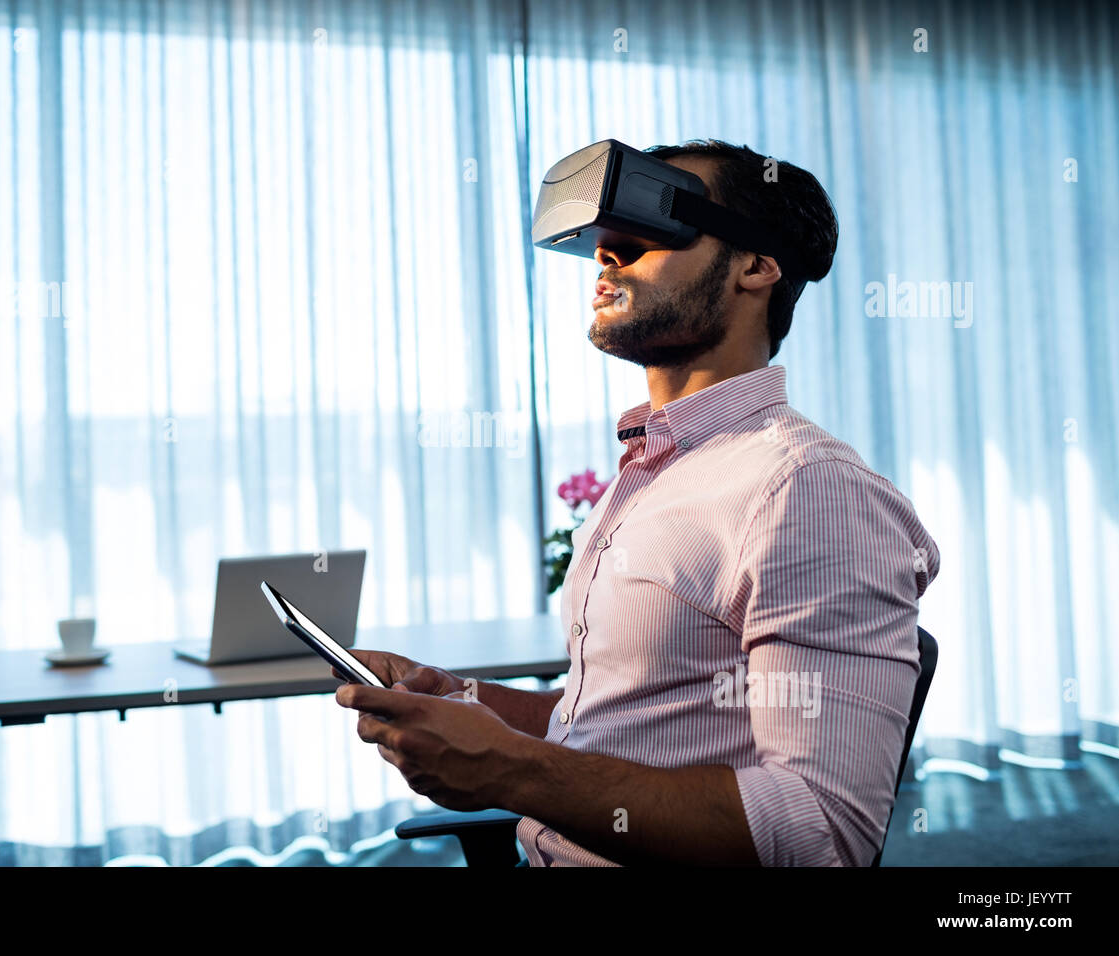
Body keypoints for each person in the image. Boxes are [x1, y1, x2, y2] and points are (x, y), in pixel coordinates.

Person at [334, 140, 941, 866]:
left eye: (646, 235)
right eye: (602, 243)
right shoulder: (653, 469)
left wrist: (508, 769)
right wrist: (466, 702)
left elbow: (821, 835)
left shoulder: (807, 491)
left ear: (756, 266)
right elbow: (613, 723)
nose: (606, 259)